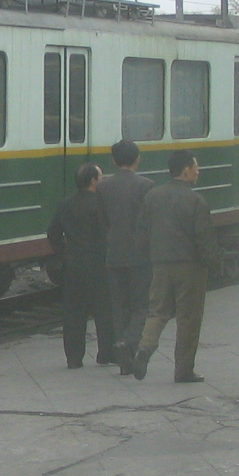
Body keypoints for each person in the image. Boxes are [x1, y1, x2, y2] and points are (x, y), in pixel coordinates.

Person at [131, 149, 220, 384]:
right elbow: (204, 239)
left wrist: (150, 256)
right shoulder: (196, 200)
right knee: (188, 319)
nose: (198, 172)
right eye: (196, 167)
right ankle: (183, 370)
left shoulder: (153, 196)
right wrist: (212, 263)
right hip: (190, 268)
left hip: (160, 264)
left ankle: (145, 349)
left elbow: (141, 233)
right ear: (186, 170)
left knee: (158, 312)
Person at [47, 162, 120, 369]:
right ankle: (106, 353)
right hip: (99, 263)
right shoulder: (102, 204)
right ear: (93, 181)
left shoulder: (65, 204)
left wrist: (64, 253)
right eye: (101, 177)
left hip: (74, 265)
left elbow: (53, 232)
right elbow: (109, 233)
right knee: (104, 310)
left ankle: (74, 358)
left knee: (73, 313)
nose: (103, 181)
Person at [98, 139, 155, 374]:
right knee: (141, 306)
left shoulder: (102, 187)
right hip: (140, 256)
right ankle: (129, 342)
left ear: (113, 160)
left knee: (119, 306)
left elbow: (102, 222)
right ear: (138, 158)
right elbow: (149, 222)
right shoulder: (146, 185)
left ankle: (124, 363)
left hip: (113, 254)